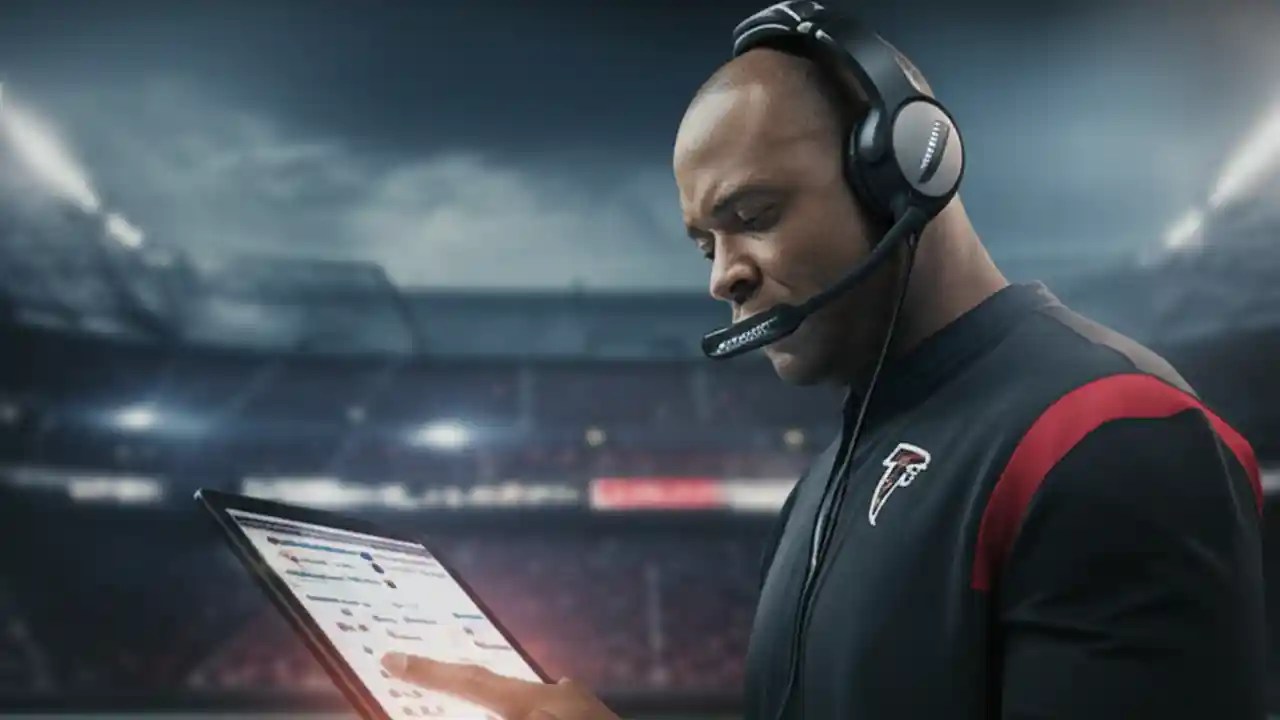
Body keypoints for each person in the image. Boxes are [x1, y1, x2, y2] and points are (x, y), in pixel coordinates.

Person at [382, 3, 1267, 718]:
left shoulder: (1112, 434)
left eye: (754, 214)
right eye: (704, 244)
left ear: (907, 173)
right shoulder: (831, 476)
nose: (723, 273)